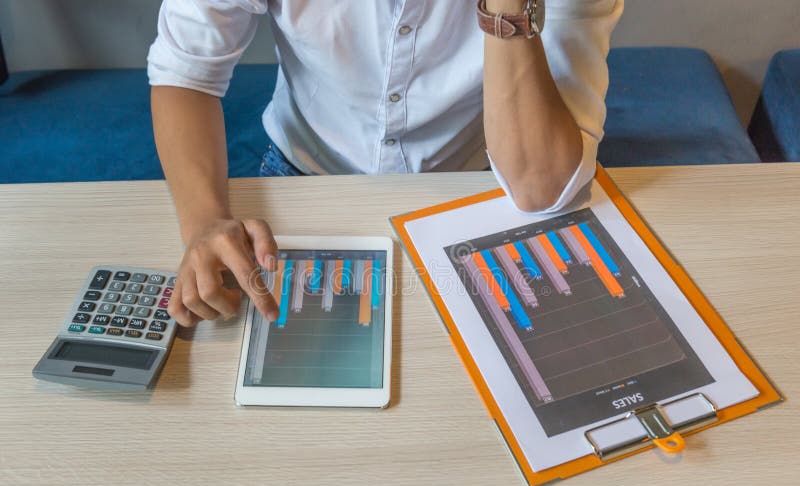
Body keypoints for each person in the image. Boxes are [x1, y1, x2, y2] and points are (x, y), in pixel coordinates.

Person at [148, 0, 624, 327]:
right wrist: (204, 221)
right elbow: (185, 72)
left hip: (474, 182)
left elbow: (542, 188)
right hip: (302, 171)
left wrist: (505, 10)